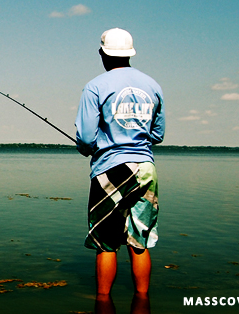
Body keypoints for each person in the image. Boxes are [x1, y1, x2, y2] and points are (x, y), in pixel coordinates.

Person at [75, 28, 165, 300]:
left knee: (106, 244)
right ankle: (142, 300)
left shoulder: (95, 87)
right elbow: (157, 135)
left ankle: (103, 302)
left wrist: (87, 148)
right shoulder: (153, 86)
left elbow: (86, 138)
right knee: (140, 242)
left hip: (110, 170)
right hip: (146, 169)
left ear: (102, 53)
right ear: (130, 54)